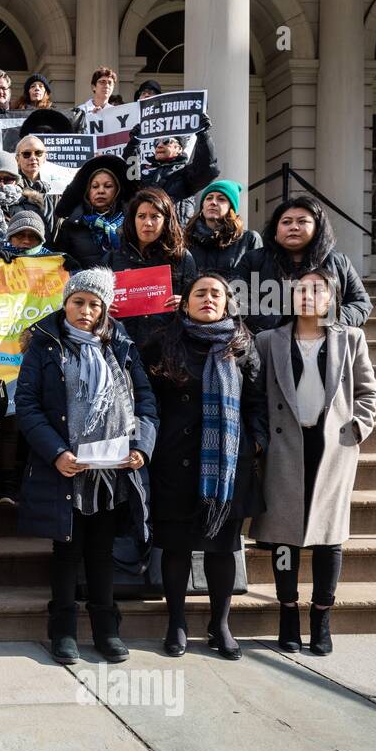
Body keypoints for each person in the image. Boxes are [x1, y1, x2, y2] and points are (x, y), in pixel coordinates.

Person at [16, 268, 157, 665]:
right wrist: (57, 453)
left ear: (105, 309)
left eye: (95, 304)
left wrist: (141, 447)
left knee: (101, 551)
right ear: (65, 303)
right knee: (66, 550)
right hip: (66, 470)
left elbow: (146, 401)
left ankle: (106, 628)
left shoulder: (122, 346)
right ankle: (62, 629)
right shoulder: (44, 345)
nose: (86, 310)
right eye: (78, 301)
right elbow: (28, 406)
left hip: (111, 473)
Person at [250, 271, 376, 656]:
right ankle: (288, 614)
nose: (307, 295)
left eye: (317, 290)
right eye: (301, 289)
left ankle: (322, 618)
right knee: (284, 535)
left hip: (333, 447)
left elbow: (369, 392)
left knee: (329, 535)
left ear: (332, 298)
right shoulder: (268, 340)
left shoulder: (351, 338)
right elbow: (255, 396)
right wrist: (259, 440)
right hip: (282, 446)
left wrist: (356, 428)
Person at [141, 273, 268, 661]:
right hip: (175, 460)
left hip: (227, 465)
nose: (208, 299)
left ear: (228, 302)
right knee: (176, 547)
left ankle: (220, 624)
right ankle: (176, 622)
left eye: (216, 293)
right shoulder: (163, 341)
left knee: (222, 548)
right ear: (185, 302)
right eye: (200, 293)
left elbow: (256, 400)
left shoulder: (242, 344)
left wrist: (255, 441)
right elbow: (146, 396)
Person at [236, 196, 373, 332]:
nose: (294, 227)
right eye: (286, 222)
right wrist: (283, 323)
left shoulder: (338, 262)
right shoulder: (253, 260)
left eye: (302, 221)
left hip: (325, 340)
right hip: (266, 341)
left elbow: (361, 304)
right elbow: (237, 300)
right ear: (275, 229)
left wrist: (323, 318)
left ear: (317, 227)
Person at [106, 186, 198, 348]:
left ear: (166, 220)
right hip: (122, 348)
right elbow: (94, 303)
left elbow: (196, 304)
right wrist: (103, 306)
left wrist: (187, 305)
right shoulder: (113, 258)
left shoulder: (182, 258)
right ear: (133, 219)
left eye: (155, 216)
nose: (147, 223)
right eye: (141, 216)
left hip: (168, 349)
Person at [122, 115, 219, 225]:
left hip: (174, 233)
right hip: (144, 230)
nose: (159, 145)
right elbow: (129, 175)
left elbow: (207, 170)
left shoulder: (185, 173)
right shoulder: (144, 171)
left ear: (179, 149)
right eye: (156, 142)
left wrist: (203, 135)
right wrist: (134, 142)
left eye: (166, 141)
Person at [52, 154, 138, 269]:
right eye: (95, 186)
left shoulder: (133, 222)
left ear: (117, 191)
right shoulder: (71, 225)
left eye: (108, 186)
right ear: (88, 191)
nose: (101, 191)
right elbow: (61, 264)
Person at [184, 180, 263, 276]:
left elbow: (257, 279)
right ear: (202, 206)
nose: (213, 202)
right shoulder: (186, 238)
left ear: (231, 208)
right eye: (209, 198)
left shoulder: (249, 239)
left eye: (221, 199)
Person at [14, 134, 59, 237]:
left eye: (38, 153)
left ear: (45, 157)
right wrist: (32, 195)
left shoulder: (58, 184)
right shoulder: (11, 185)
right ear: (17, 159)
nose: (33, 157)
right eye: (26, 154)